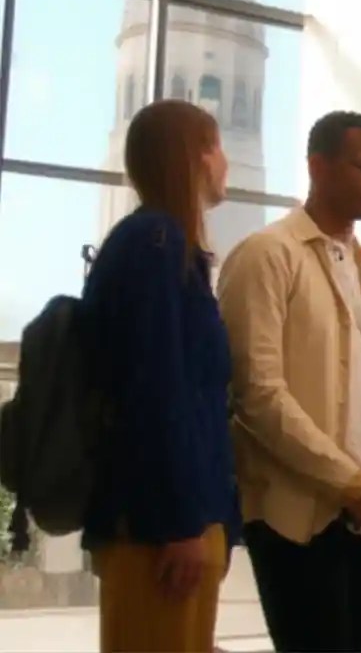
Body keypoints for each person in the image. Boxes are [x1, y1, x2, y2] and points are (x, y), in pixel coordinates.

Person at [217, 111, 361, 652]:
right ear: (317, 167)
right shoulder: (267, 254)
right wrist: (352, 485)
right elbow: (257, 395)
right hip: (296, 516)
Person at [81, 99, 241, 653]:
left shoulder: (167, 247)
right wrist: (179, 521)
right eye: (217, 146)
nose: (225, 162)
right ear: (195, 155)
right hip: (160, 530)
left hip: (181, 520)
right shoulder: (156, 244)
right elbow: (156, 390)